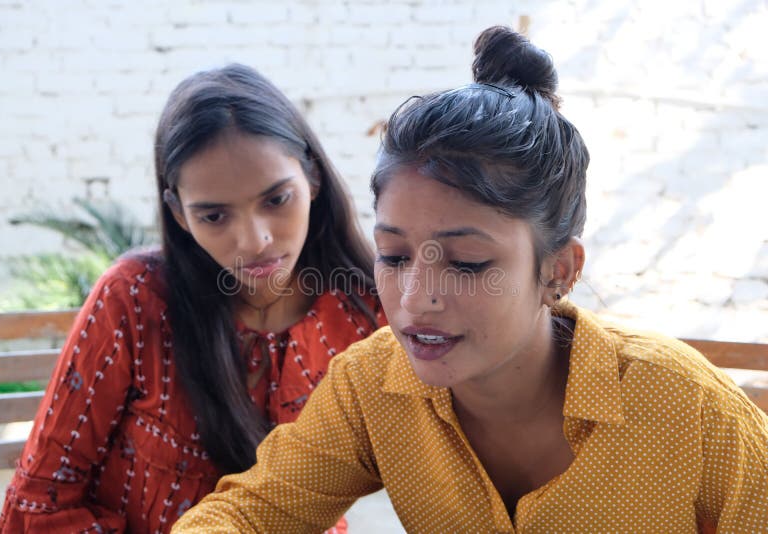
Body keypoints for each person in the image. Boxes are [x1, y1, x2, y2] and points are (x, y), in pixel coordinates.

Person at [172, 27, 768, 533]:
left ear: (557, 271)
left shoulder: (684, 407)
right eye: (395, 256)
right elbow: (249, 512)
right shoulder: (370, 387)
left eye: (466, 264)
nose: (415, 300)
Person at [0, 64, 384, 533]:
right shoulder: (135, 300)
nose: (255, 239)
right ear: (179, 214)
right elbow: (42, 501)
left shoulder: (367, 311)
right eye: (215, 215)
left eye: (276, 200)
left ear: (313, 179)